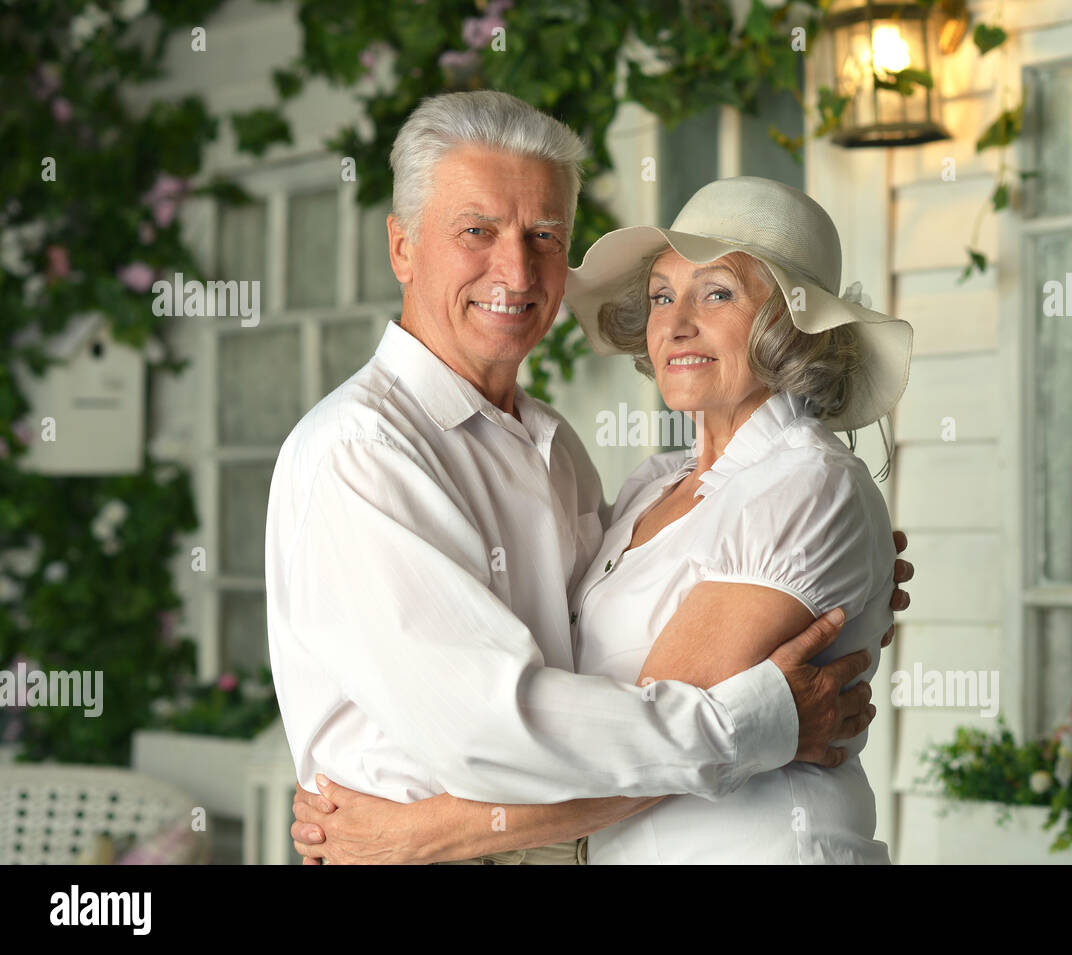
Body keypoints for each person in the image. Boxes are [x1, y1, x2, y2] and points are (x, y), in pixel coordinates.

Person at [276, 90, 913, 865]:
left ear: (789, 322)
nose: (514, 268)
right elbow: (492, 729)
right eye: (476, 230)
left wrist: (849, 556)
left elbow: (604, 704)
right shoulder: (363, 449)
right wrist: (767, 724)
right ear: (403, 246)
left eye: (544, 234)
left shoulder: (562, 450)